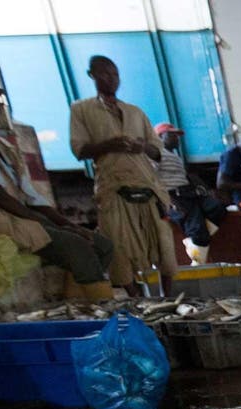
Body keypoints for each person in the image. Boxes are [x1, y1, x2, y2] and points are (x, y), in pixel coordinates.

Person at [0, 80, 114, 296]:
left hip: (16, 220)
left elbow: (32, 197)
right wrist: (49, 224)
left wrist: (69, 225)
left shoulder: (1, 146)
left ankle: (81, 301)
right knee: (76, 246)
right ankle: (102, 308)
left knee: (103, 245)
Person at [69, 55, 176, 296]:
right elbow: (80, 150)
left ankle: (169, 299)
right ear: (91, 75)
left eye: (115, 74)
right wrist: (109, 144)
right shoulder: (81, 110)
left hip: (147, 185)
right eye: (104, 74)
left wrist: (142, 147)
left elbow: (157, 150)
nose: (111, 79)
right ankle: (136, 298)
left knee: (164, 244)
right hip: (113, 186)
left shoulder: (134, 112)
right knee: (119, 247)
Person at [155, 123, 226, 264]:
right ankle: (197, 263)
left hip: (189, 194)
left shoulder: (174, 156)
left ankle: (194, 242)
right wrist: (168, 200)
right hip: (175, 196)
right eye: (172, 135)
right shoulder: (157, 154)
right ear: (160, 137)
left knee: (217, 208)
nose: (177, 139)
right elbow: (152, 178)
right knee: (198, 231)